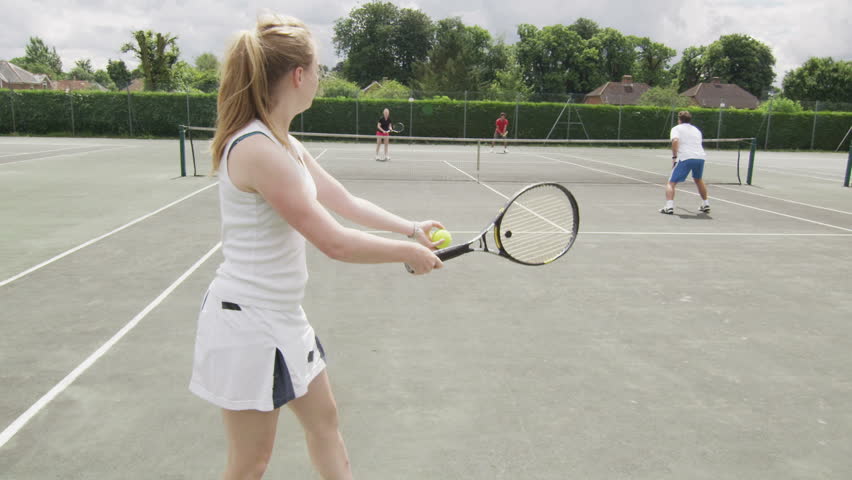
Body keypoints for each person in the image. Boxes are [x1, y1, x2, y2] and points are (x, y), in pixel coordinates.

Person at [189, 14, 444, 480]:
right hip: (247, 324)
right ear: (299, 75)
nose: (321, 78)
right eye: (319, 69)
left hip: (283, 317)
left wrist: (411, 229)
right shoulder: (257, 149)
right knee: (250, 464)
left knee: (324, 424)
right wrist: (406, 254)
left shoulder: (284, 142)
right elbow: (334, 242)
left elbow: (343, 201)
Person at [660, 110, 711, 215]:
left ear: (679, 120)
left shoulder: (676, 129)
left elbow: (675, 141)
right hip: (700, 157)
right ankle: (706, 204)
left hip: (685, 157)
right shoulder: (696, 130)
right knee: (698, 179)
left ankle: (669, 207)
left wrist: (674, 156)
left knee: (671, 182)